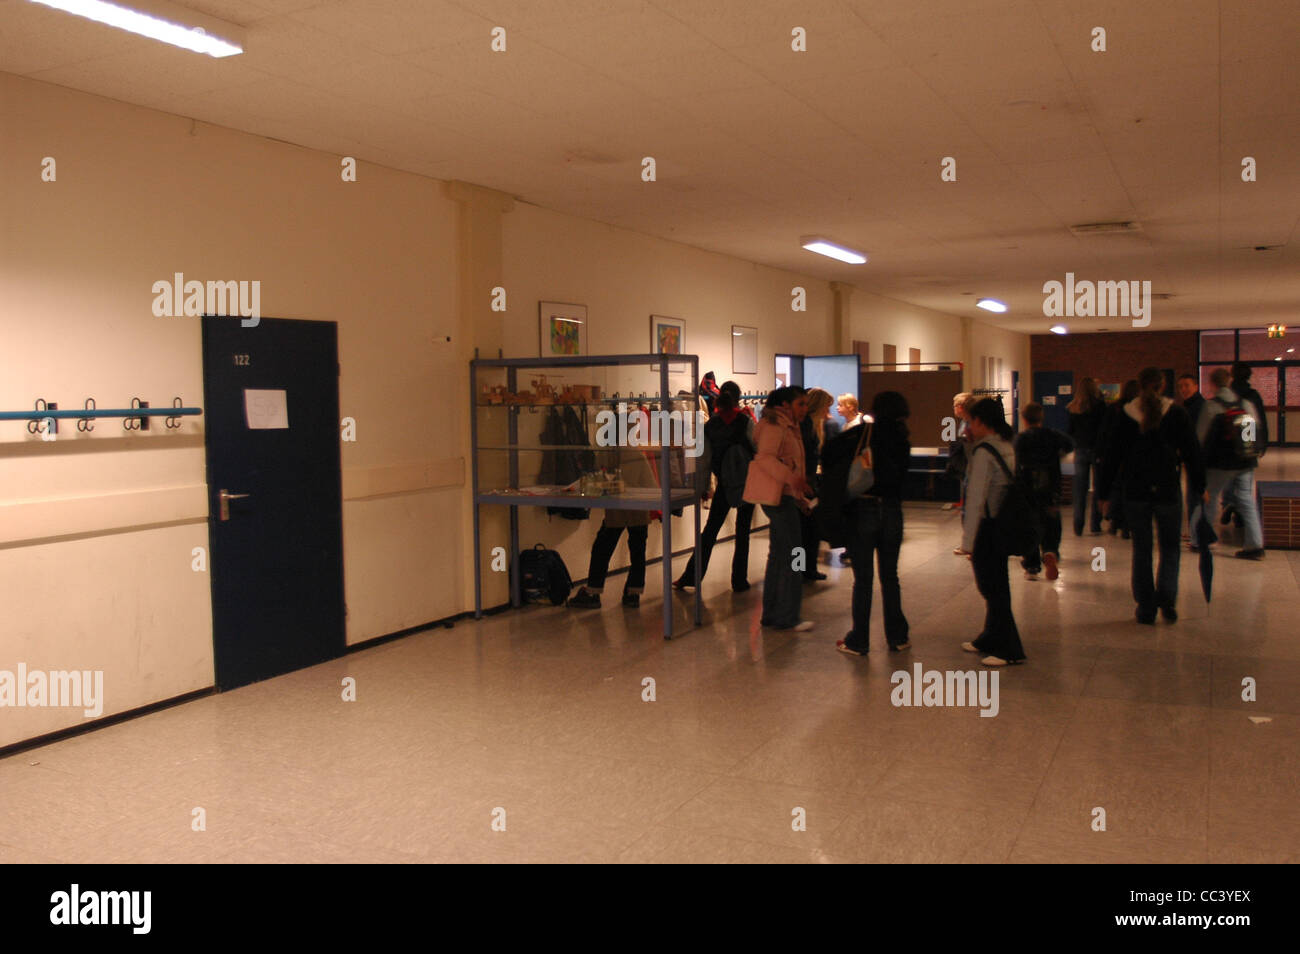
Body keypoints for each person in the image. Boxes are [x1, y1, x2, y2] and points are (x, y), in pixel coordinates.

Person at [1097, 367, 1205, 624]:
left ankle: (1146, 607)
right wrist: (1200, 487)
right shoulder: (1177, 413)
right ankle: (1167, 599)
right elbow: (1192, 452)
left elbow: (1111, 457)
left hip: (1135, 491)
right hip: (1167, 489)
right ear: (1163, 385)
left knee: (1142, 549)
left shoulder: (1125, 415)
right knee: (1170, 547)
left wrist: (1103, 493)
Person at [830, 391, 912, 656]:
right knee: (890, 577)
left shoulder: (865, 434)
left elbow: (831, 453)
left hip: (864, 507)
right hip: (892, 509)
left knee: (863, 579)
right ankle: (898, 637)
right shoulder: (902, 438)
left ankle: (859, 639)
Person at [742, 386, 815, 631]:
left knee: (779, 556)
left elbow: (787, 462)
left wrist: (799, 496)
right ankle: (787, 615)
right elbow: (765, 458)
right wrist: (794, 481)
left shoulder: (786, 426)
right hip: (778, 498)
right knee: (796, 555)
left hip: (784, 498)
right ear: (785, 405)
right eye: (800, 404)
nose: (805, 409)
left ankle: (772, 613)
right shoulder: (776, 426)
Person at [960, 398, 1026, 666]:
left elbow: (976, 497)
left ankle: (1009, 649)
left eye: (971, 421)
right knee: (996, 583)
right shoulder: (1007, 444)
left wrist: (968, 541)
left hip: (988, 527)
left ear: (980, 421)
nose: (969, 427)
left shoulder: (985, 451)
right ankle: (989, 636)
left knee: (992, 587)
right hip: (1003, 523)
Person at [674, 381, 756, 592]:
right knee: (743, 532)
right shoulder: (746, 422)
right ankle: (739, 580)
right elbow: (757, 450)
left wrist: (703, 487)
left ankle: (691, 576)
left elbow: (703, 460)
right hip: (748, 483)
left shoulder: (710, 426)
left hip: (724, 485)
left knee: (709, 532)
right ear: (738, 398)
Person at [567, 446, 658, 609]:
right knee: (638, 552)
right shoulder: (637, 454)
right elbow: (650, 484)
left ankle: (593, 591)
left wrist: (576, 487)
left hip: (617, 507)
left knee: (602, 548)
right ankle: (633, 593)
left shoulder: (606, 453)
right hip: (638, 508)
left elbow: (596, 480)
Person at [1197, 367, 1265, 560]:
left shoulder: (1211, 406)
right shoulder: (1246, 403)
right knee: (1246, 499)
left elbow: (1200, 437)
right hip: (1245, 460)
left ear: (1213, 384)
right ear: (1229, 382)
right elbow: (1254, 431)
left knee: (1210, 498)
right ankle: (1255, 545)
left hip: (1220, 463)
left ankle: (1203, 539)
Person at [1015, 402, 1074, 581]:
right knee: (1051, 523)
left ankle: (1032, 566)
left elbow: (1014, 460)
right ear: (1042, 418)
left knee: (1029, 526)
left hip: (1028, 489)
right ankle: (1050, 551)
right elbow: (1070, 445)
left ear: (1024, 419)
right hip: (1051, 487)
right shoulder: (1053, 435)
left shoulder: (1021, 439)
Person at [799, 387, 836, 582]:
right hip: (803, 484)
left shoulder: (811, 427)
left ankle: (805, 568)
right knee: (807, 530)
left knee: (809, 530)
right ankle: (804, 569)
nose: (827, 413)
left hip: (808, 482)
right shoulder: (806, 428)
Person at [1098, 379, 1140, 538]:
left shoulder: (1115, 408)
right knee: (1128, 490)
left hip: (1115, 453)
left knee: (1117, 487)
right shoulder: (1139, 410)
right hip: (1133, 456)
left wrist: (1102, 453)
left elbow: (1105, 432)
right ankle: (1127, 525)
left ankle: (1115, 521)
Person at [1067, 377, 1107, 536]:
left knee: (1079, 489)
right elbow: (1103, 430)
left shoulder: (1073, 408)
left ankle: (1078, 523)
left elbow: (1070, 431)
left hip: (1080, 450)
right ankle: (1095, 524)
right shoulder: (1100, 407)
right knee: (1098, 488)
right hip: (1097, 451)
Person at [948, 392, 977, 554]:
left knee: (968, 508)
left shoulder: (969, 425)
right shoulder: (965, 424)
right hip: (967, 470)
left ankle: (970, 544)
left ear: (960, 407)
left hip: (970, 471)